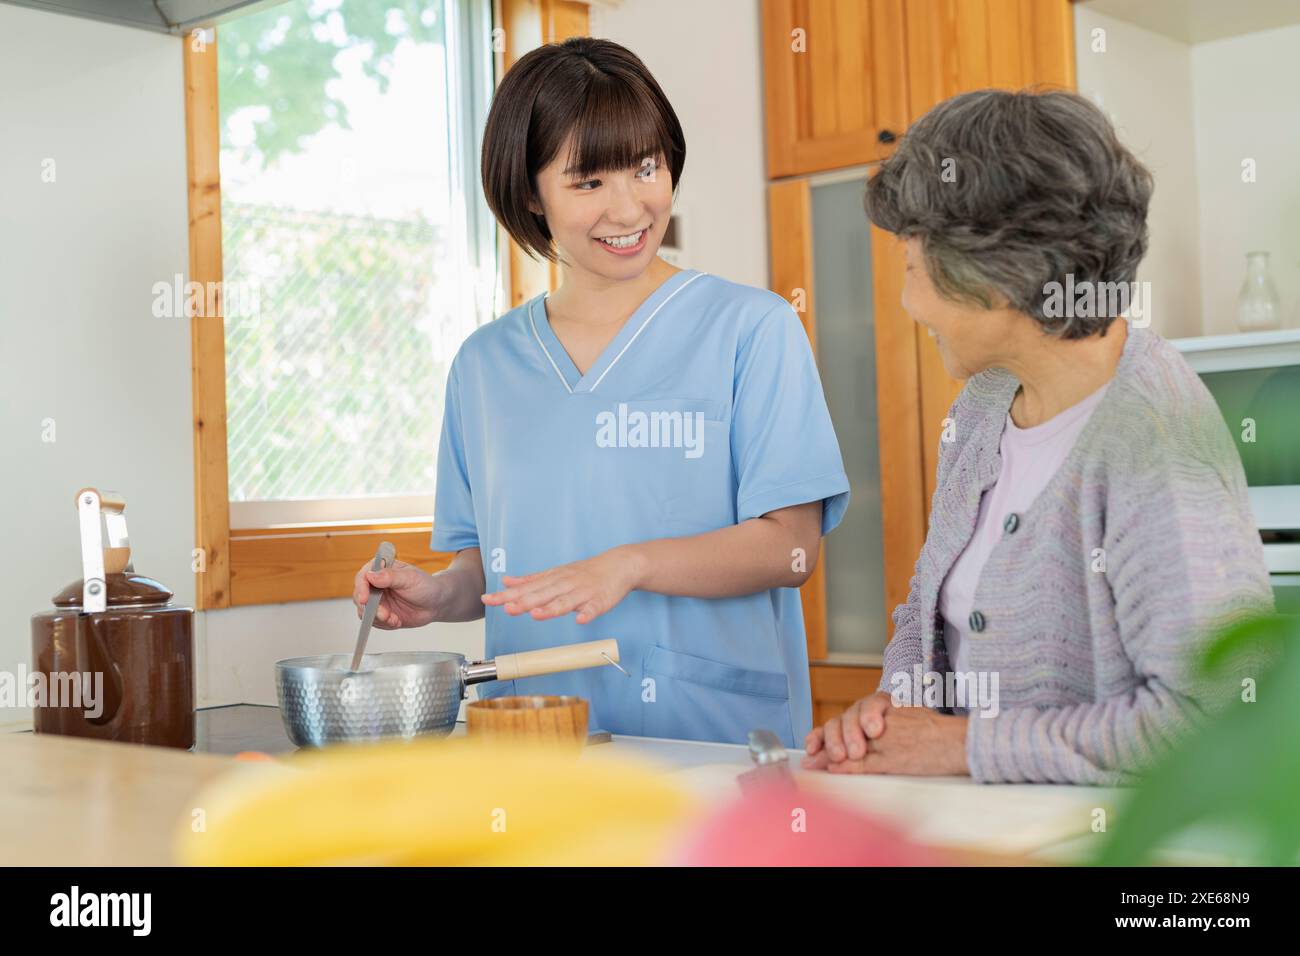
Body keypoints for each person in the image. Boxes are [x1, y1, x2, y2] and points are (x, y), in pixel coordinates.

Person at [353, 37, 849, 747]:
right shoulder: (483, 366)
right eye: (589, 183)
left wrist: (633, 564)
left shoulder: (752, 329)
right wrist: (435, 595)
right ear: (530, 191)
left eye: (646, 168)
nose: (630, 208)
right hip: (535, 739)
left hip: (711, 739)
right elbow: (487, 571)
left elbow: (791, 550)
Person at [803, 88, 1273, 784]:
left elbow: (1208, 719)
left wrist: (960, 747)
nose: (908, 302)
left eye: (912, 267)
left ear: (996, 276)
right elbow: (929, 608)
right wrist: (891, 717)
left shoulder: (1154, 437)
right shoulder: (983, 404)